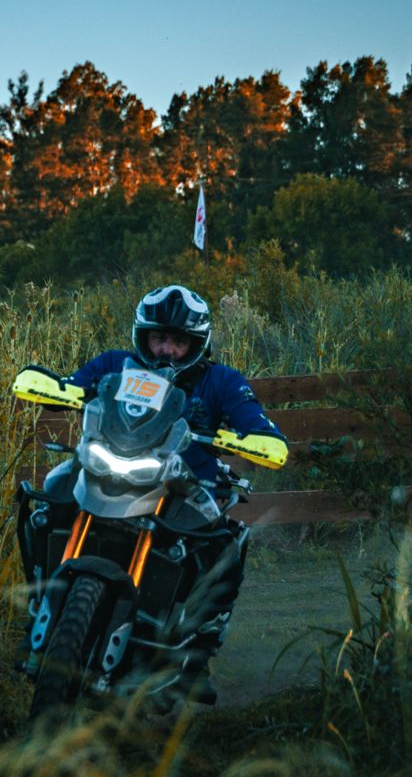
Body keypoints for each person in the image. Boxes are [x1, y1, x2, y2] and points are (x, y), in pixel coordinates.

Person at [65, 283, 288, 703]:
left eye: (179, 341)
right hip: (110, 468)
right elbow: (73, 386)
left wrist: (257, 438)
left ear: (197, 343)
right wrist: (54, 388)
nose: (167, 349)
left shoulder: (221, 380)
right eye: (159, 338)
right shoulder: (115, 364)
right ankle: (43, 596)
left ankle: (196, 656)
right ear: (143, 336)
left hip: (187, 486)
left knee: (225, 546)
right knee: (49, 496)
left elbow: (257, 424)